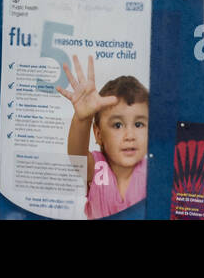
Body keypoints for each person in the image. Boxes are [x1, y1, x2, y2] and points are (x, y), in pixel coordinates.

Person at [56, 55, 149, 219]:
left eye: (139, 124)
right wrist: (82, 119)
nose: (130, 135)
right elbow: (77, 158)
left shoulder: (152, 173)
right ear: (98, 135)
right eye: (118, 125)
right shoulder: (98, 168)